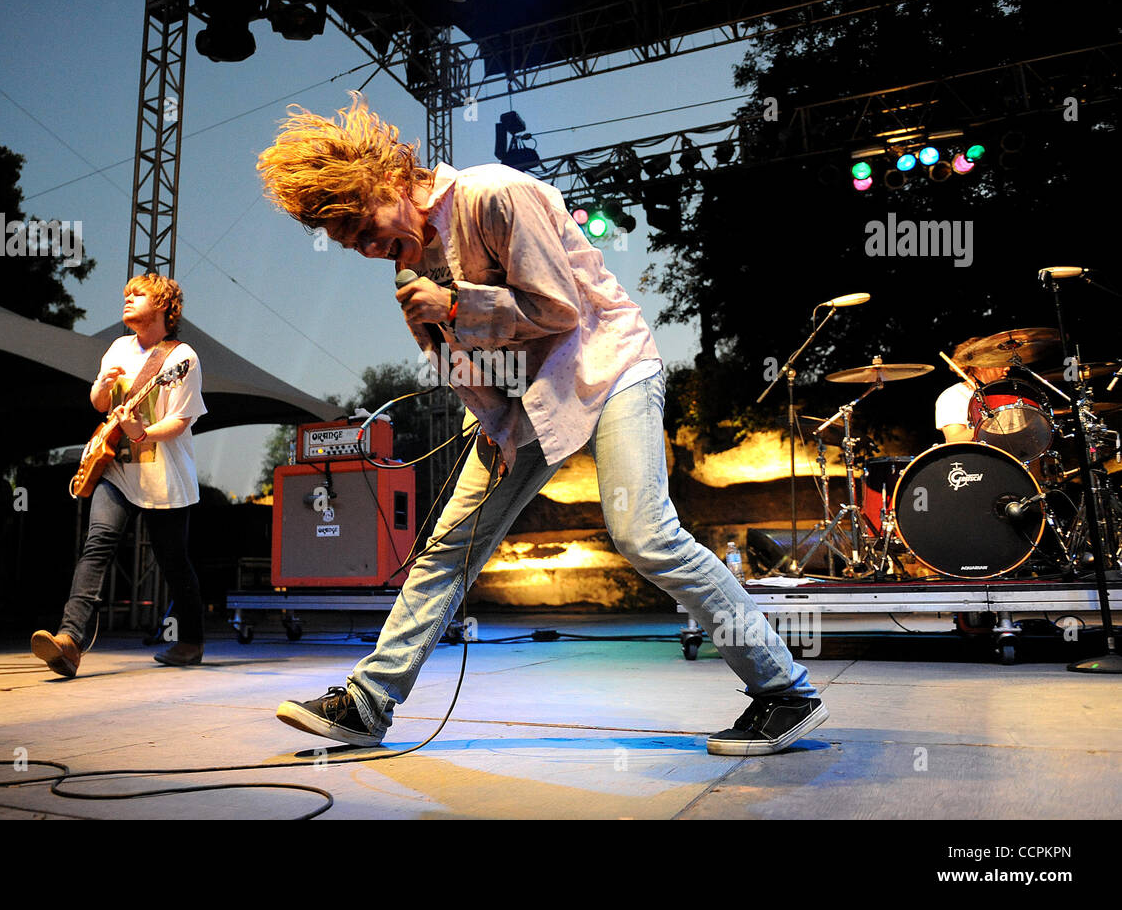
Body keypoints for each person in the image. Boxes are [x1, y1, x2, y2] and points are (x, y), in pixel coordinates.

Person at [255, 94, 828, 756]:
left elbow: (557, 311)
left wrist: (457, 302)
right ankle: (367, 703)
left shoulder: (494, 195)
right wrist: (496, 423)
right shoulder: (409, 273)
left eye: (362, 225)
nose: (364, 247)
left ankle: (785, 691)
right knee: (448, 545)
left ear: (383, 176)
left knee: (644, 535)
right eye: (349, 242)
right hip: (528, 403)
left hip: (606, 366)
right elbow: (462, 370)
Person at [31, 274, 207, 676]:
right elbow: (100, 403)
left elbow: (179, 422)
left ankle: (191, 641)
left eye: (138, 294)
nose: (127, 299)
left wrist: (142, 432)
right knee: (97, 546)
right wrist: (100, 387)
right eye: (125, 293)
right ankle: (69, 642)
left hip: (165, 477)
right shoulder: (118, 348)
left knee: (174, 563)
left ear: (163, 305)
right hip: (117, 471)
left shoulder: (183, 358)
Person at [936, 336, 1010, 443]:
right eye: (1000, 364)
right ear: (980, 365)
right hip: (977, 458)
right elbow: (954, 439)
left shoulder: (1008, 394)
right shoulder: (954, 395)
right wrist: (988, 426)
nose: (1007, 368)